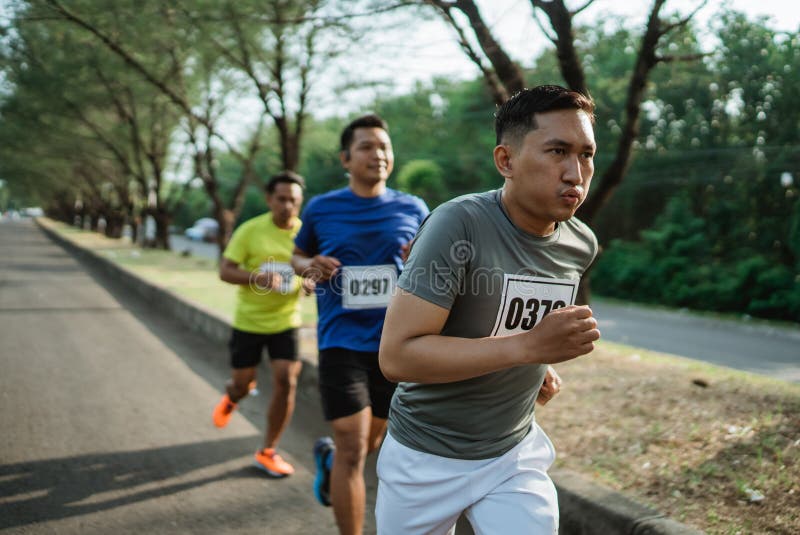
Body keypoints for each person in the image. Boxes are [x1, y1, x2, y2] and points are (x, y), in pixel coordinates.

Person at [375, 85, 602, 534]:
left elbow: (509, 323)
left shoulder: (581, 243)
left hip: (512, 454)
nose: (575, 173)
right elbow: (397, 357)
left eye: (586, 154)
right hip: (425, 457)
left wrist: (536, 362)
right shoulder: (457, 224)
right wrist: (527, 348)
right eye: (558, 151)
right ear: (506, 161)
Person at [292, 114, 429, 534]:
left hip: (395, 345)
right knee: (354, 446)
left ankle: (329, 460)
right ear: (346, 159)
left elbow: (435, 266)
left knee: (371, 442)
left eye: (384, 146)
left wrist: (420, 257)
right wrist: (310, 265)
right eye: (367, 146)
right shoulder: (322, 208)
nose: (378, 154)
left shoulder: (414, 208)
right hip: (341, 341)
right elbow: (297, 257)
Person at [212, 170, 312, 478]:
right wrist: (257, 277)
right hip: (250, 321)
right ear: (269, 199)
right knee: (241, 384)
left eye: (293, 200)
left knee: (287, 380)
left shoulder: (307, 234)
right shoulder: (250, 230)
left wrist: (311, 280)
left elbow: (312, 270)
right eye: (281, 199)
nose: (287, 206)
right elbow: (225, 271)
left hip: (286, 321)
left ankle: (268, 451)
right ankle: (234, 395)